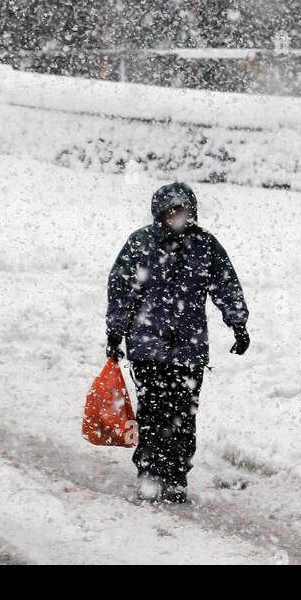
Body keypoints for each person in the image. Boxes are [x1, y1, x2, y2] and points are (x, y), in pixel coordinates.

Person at [105, 180, 249, 504]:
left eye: (183, 211)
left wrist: (238, 323)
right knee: (153, 415)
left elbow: (226, 285)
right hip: (147, 348)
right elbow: (121, 292)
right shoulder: (140, 244)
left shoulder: (205, 245)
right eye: (172, 212)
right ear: (160, 214)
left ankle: (176, 477)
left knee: (184, 416)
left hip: (188, 349)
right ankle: (149, 474)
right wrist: (115, 333)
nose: (178, 218)